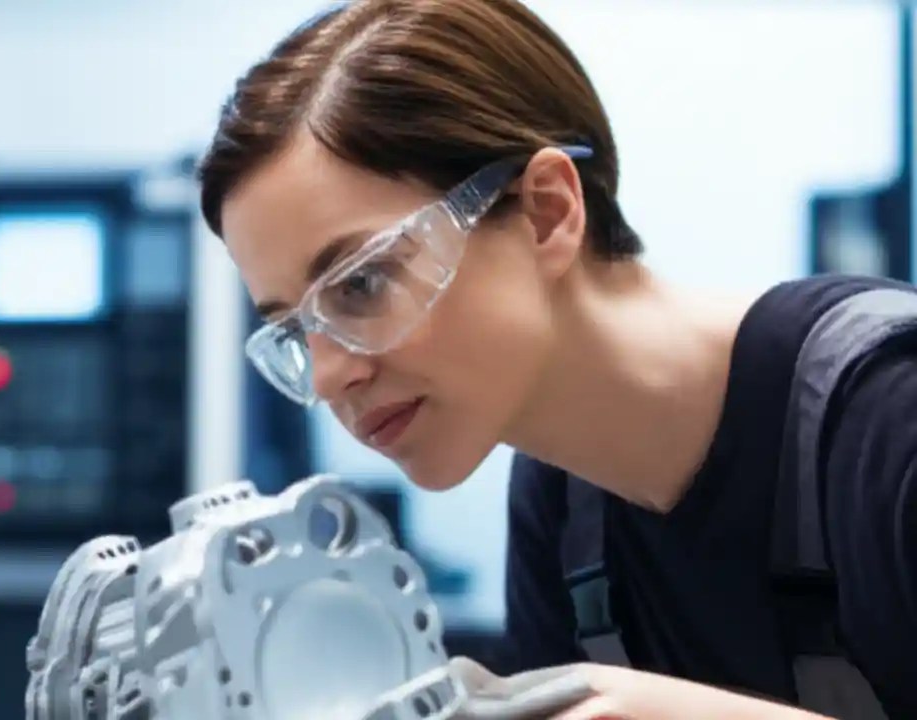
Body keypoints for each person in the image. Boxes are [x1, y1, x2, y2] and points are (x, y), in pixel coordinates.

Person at [194, 0, 917, 718]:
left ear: (547, 211)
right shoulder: (563, 506)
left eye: (363, 282)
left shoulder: (889, 417)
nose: (328, 376)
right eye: (294, 330)